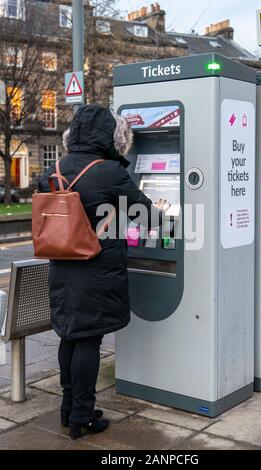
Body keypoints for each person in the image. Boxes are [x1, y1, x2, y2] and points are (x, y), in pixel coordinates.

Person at [38, 104, 168, 439]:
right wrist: (163, 210)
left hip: (61, 264)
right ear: (110, 135)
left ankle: (69, 409)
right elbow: (147, 217)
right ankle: (82, 416)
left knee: (69, 334)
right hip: (95, 267)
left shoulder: (56, 167)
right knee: (89, 340)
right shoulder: (109, 171)